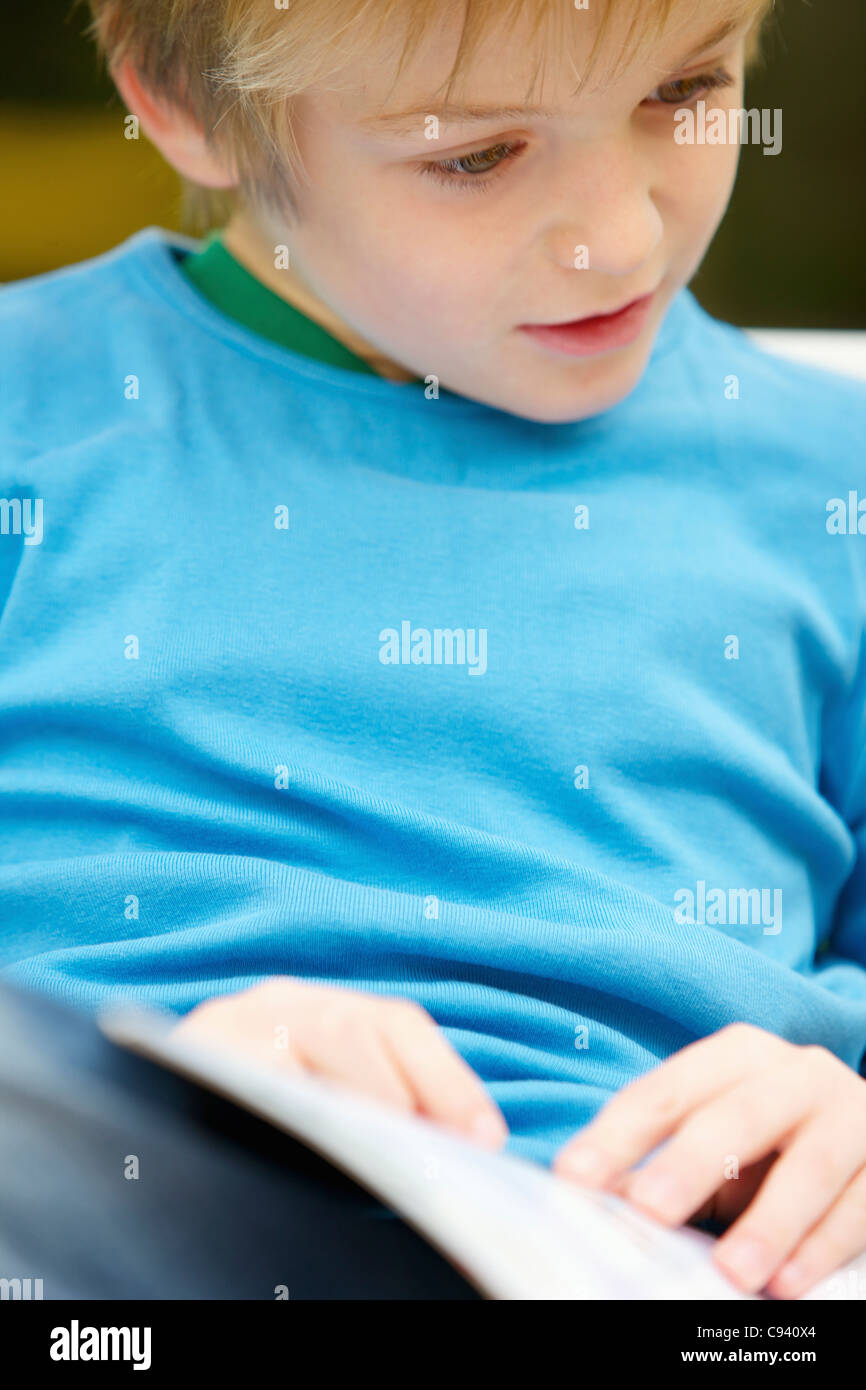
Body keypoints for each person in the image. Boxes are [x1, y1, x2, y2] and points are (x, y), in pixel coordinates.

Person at [1, 0, 865, 1299]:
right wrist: (158, 1067)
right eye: (475, 156)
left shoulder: (827, 485)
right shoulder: (35, 416)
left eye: (683, 91)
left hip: (665, 1250)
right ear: (183, 108)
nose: (617, 235)